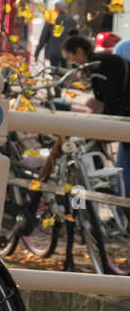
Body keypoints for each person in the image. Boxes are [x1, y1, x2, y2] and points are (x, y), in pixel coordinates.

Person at [42, 35, 130, 211]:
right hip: (124, 117)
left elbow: (111, 100)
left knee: (122, 170)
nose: (71, 63)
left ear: (80, 52)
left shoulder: (97, 66)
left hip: (125, 120)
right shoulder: (104, 61)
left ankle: (105, 212)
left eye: (70, 58)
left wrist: (101, 126)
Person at [33, 0, 71, 70]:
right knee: (65, 73)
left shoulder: (51, 21)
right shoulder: (70, 21)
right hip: (66, 53)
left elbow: (43, 39)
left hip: (53, 52)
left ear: (56, 8)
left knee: (55, 72)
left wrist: (36, 54)